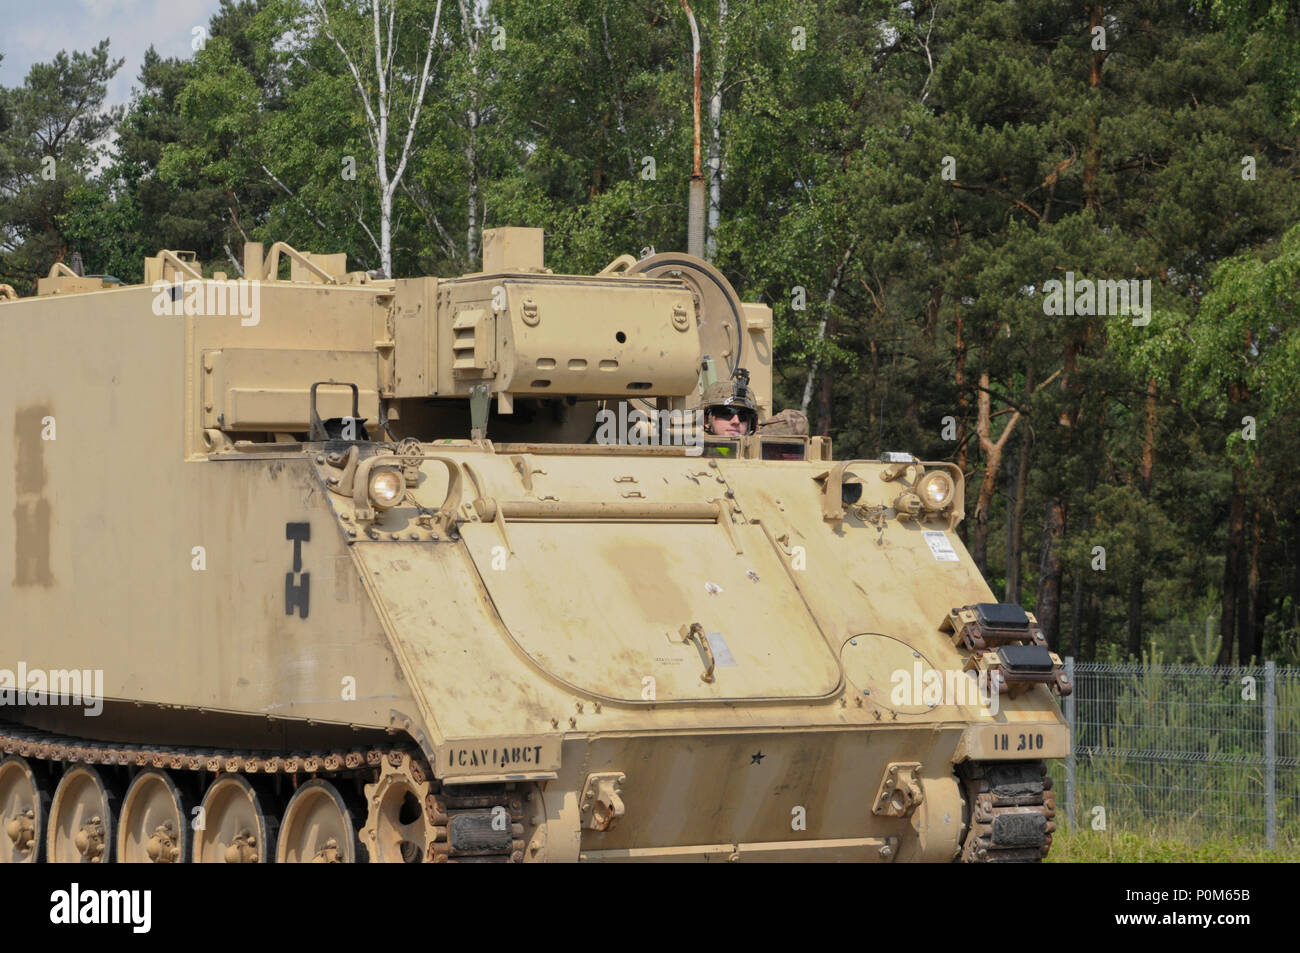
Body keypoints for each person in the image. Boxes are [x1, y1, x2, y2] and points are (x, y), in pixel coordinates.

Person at [701, 371, 759, 437]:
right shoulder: (693, 445)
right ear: (706, 420)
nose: (736, 421)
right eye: (727, 413)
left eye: (743, 416)